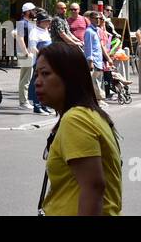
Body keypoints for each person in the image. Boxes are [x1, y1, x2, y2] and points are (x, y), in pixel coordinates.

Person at [34, 42, 122, 216]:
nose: (37, 82)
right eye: (36, 74)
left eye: (45, 74)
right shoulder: (92, 115)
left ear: (69, 77)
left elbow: (93, 188)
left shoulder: (76, 120)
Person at [29, 12, 54, 115]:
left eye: (48, 21)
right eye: (46, 21)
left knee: (46, 84)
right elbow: (33, 47)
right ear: (39, 22)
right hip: (39, 62)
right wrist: (42, 55)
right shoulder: (34, 32)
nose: (48, 23)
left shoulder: (45, 31)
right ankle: (37, 105)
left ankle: (44, 105)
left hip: (48, 61)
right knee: (38, 84)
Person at [15, 2, 37, 109]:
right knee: (26, 78)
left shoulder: (29, 22)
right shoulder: (22, 23)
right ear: (27, 11)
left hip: (28, 52)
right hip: (25, 53)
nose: (34, 12)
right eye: (32, 10)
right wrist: (26, 52)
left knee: (25, 77)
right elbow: (20, 38)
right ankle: (23, 102)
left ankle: (24, 100)